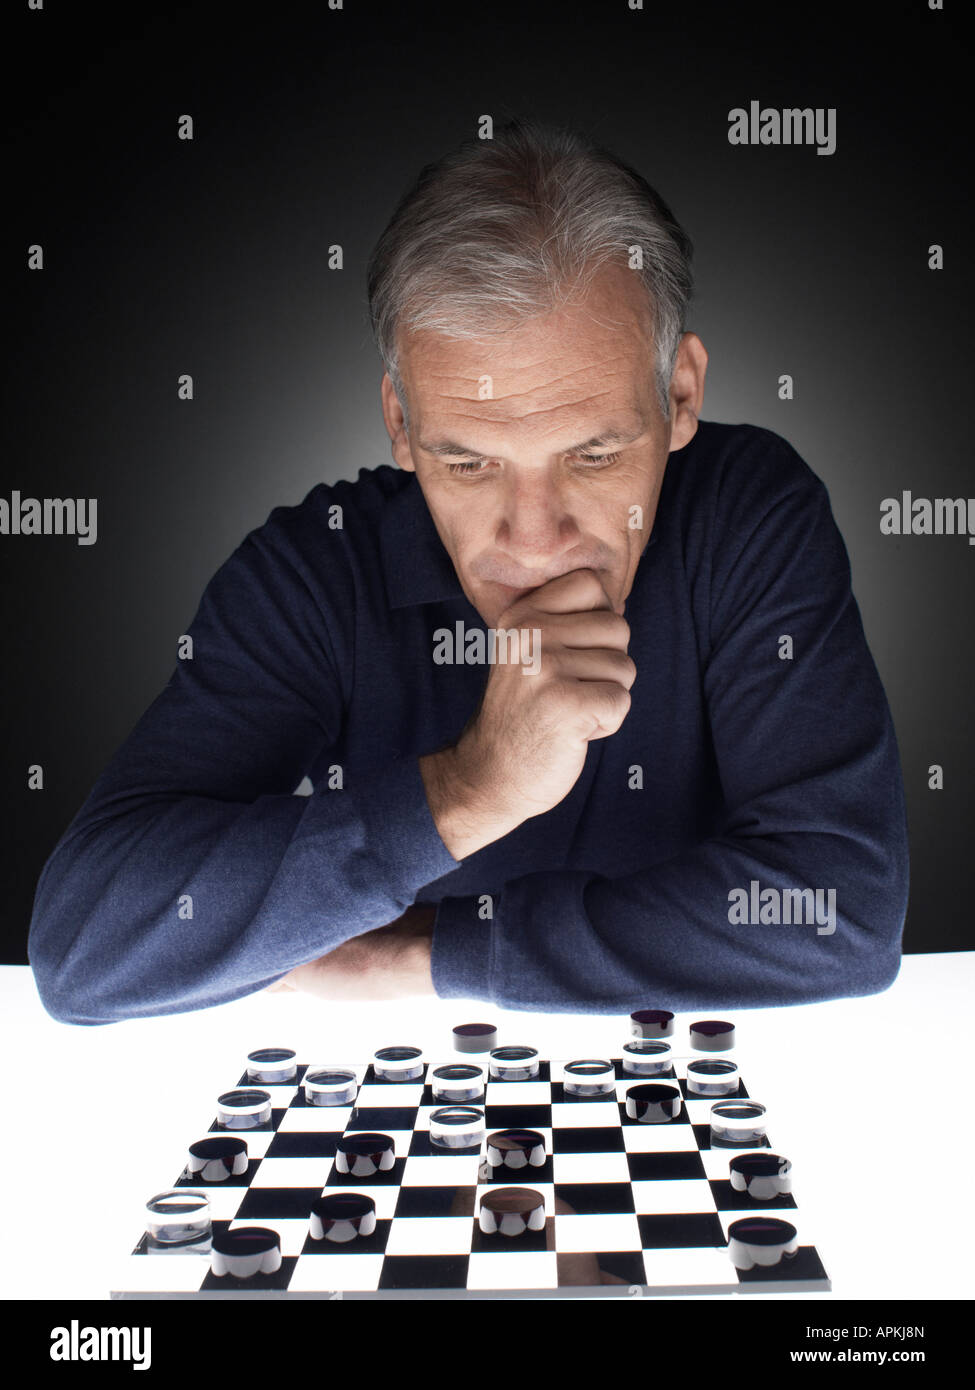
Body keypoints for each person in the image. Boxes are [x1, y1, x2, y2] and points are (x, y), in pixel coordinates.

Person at [27, 119, 909, 1024]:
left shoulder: (748, 508)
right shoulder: (318, 567)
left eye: (595, 455)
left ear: (680, 396)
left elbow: (840, 916)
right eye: (469, 464)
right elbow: (83, 951)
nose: (533, 541)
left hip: (697, 1078)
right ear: (400, 424)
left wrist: (433, 952)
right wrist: (467, 790)